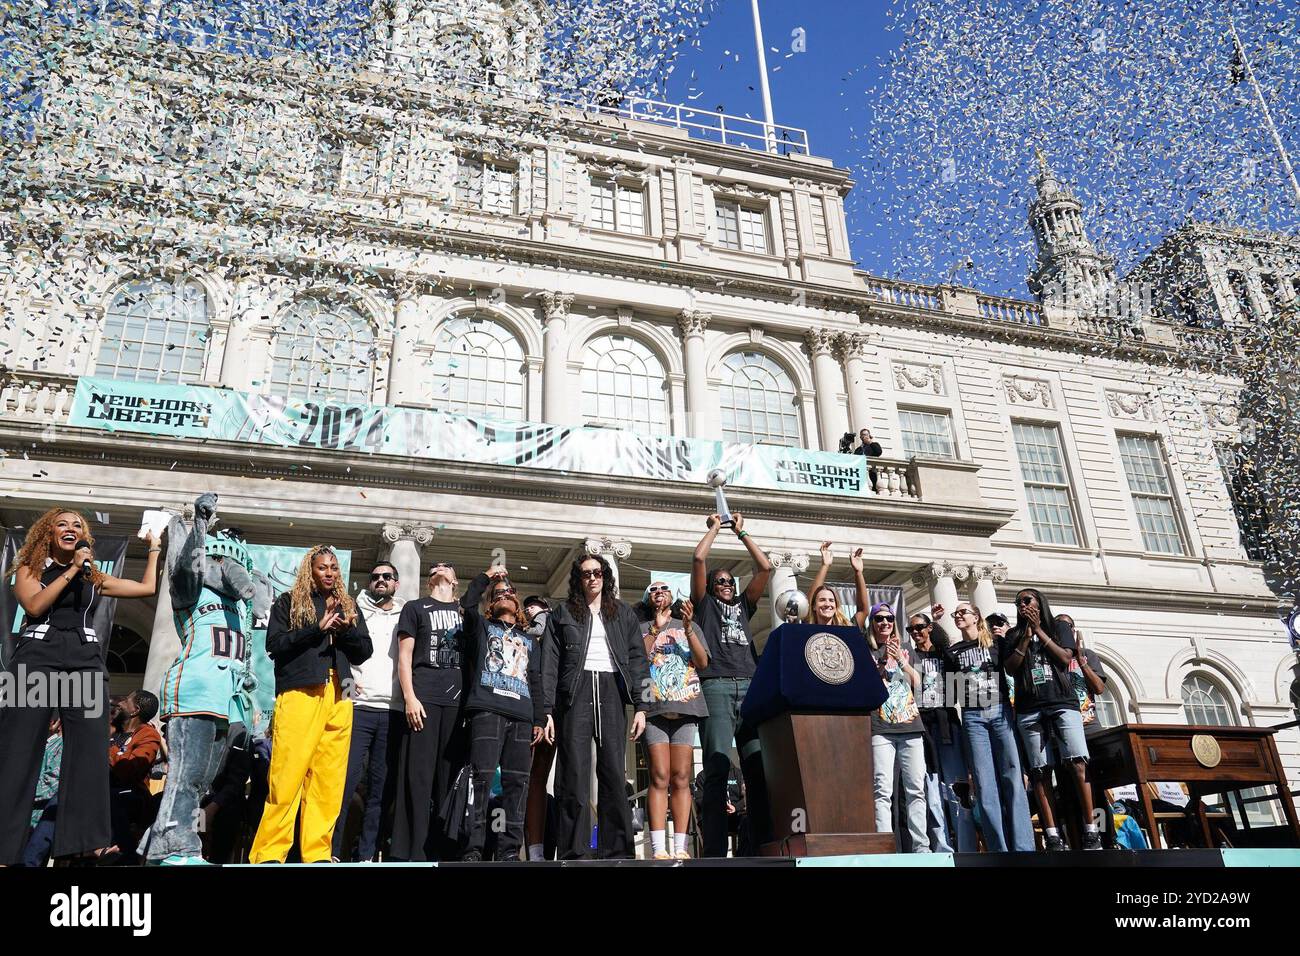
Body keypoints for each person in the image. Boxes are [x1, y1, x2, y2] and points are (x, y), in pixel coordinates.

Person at [0, 509, 161, 866]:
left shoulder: (93, 576)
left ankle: (87, 841)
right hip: (36, 655)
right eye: (63, 524)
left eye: (78, 526)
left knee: (90, 749)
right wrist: (72, 569)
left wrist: (154, 547)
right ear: (49, 533)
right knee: (18, 750)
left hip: (84, 656)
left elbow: (147, 588)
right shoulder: (31, 568)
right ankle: (3, 847)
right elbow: (35, 604)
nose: (71, 529)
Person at [148, 493, 257, 866]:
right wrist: (198, 524)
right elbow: (184, 568)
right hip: (195, 690)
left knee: (202, 782)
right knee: (186, 772)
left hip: (225, 698)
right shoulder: (190, 592)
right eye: (220, 558)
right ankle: (172, 844)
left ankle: (168, 839)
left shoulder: (237, 607)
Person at [249, 547, 372, 864]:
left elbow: (364, 651)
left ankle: (318, 853)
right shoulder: (288, 603)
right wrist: (316, 629)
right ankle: (269, 853)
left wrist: (344, 633)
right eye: (322, 568)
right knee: (287, 776)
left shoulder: (348, 605)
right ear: (310, 571)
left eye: (333, 568)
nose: (329, 572)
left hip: (341, 694)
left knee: (328, 780)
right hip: (301, 691)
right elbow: (275, 645)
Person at [542, 553, 650, 860]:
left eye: (598, 572)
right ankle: (574, 852)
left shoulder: (623, 613)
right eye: (587, 573)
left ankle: (617, 850)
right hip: (574, 693)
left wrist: (643, 706)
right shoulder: (563, 612)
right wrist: (546, 710)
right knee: (573, 773)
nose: (593, 577)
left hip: (611, 689)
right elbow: (549, 663)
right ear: (578, 578)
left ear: (606, 576)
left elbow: (639, 662)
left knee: (614, 772)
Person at [691, 512, 773, 858]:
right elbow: (699, 558)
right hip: (718, 687)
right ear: (711, 588)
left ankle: (759, 847)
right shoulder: (704, 605)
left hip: (750, 688)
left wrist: (743, 533)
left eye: (729, 582)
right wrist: (714, 529)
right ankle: (712, 852)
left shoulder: (743, 605)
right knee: (717, 768)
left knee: (758, 771)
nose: (727, 585)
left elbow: (765, 569)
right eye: (721, 582)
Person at [390, 560, 483, 861]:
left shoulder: (465, 612)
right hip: (424, 699)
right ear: (429, 579)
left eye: (446, 566)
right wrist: (409, 697)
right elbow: (404, 657)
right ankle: (411, 850)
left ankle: (446, 849)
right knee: (417, 776)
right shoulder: (415, 608)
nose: (440, 568)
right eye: (434, 567)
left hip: (457, 704)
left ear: (456, 580)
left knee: (451, 778)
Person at [1003, 588, 1100, 850]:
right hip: (1029, 708)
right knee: (1039, 770)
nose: (1022, 605)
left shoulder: (1059, 628)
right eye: (1018, 603)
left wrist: (1039, 631)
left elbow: (1065, 658)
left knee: (1078, 762)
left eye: (1027, 600)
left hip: (1061, 702)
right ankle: (1053, 834)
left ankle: (1091, 830)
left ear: (1039, 603)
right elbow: (1010, 668)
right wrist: (1025, 637)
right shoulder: (1013, 635)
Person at [461, 570, 545, 862]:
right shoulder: (481, 628)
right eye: (498, 594)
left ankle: (509, 851)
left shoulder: (529, 640)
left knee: (517, 785)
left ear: (517, 602)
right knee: (481, 779)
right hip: (487, 710)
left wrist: (539, 718)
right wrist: (485, 578)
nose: (505, 595)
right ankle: (473, 848)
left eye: (509, 593)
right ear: (491, 604)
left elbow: (535, 680)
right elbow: (468, 604)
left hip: (521, 716)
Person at [944, 601, 1035, 851]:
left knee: (1012, 775)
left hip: (1000, 710)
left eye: (964, 612)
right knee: (985, 784)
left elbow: (1014, 663)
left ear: (977, 617)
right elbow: (951, 692)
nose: (959, 615)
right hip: (972, 715)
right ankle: (999, 849)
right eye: (956, 613)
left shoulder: (994, 643)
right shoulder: (954, 652)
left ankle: (1024, 847)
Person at [332, 561, 405, 863]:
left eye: (387, 577)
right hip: (358, 708)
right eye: (374, 577)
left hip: (393, 710)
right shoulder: (353, 609)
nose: (380, 581)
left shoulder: (408, 615)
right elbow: (339, 648)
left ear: (396, 584)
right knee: (344, 783)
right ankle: (331, 851)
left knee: (379, 787)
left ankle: (365, 854)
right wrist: (348, 687)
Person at [640, 582, 709, 860]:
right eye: (653, 589)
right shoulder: (642, 627)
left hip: (686, 706)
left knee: (681, 778)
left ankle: (680, 847)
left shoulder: (686, 624)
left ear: (671, 597)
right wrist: (655, 629)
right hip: (655, 708)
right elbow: (636, 659)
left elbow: (703, 663)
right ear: (648, 598)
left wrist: (690, 627)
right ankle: (659, 849)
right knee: (659, 775)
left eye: (664, 588)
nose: (659, 591)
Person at [907, 610, 977, 853]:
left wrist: (938, 623)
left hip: (947, 722)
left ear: (929, 629)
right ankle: (943, 847)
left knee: (957, 788)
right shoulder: (910, 655)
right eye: (911, 629)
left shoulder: (943, 654)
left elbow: (957, 684)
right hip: (923, 726)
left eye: (920, 627)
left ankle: (967, 848)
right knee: (932, 790)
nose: (915, 632)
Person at [866, 602, 929, 852]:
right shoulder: (866, 651)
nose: (885, 623)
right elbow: (868, 687)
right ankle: (885, 846)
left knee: (916, 789)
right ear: (872, 624)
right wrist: (883, 662)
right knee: (882, 789)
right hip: (880, 727)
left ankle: (921, 847)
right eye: (879, 619)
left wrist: (901, 662)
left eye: (889, 619)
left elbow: (919, 684)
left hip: (911, 726)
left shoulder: (905, 648)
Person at [107, 689, 162, 863]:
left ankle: (126, 855)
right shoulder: (112, 730)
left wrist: (108, 746)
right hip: (99, 788)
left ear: (135, 710)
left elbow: (129, 771)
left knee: (112, 798)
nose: (118, 702)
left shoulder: (148, 735)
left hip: (129, 793)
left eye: (126, 700)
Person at [521, 595, 555, 861]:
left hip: (549, 708)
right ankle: (535, 850)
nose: (530, 608)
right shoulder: (527, 635)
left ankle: (537, 850)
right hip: (537, 709)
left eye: (535, 605)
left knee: (537, 780)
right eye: (527, 606)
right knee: (535, 779)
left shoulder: (545, 625)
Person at [23, 717, 63, 867]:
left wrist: (20, 795)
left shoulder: (64, 745)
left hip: (36, 814)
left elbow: (53, 782)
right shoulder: (50, 742)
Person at [805, 542, 869, 629]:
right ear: (814, 607)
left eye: (831, 600)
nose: (827, 604)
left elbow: (862, 611)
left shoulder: (846, 629)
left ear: (836, 606)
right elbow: (808, 604)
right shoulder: (808, 627)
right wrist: (825, 565)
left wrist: (858, 572)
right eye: (822, 600)